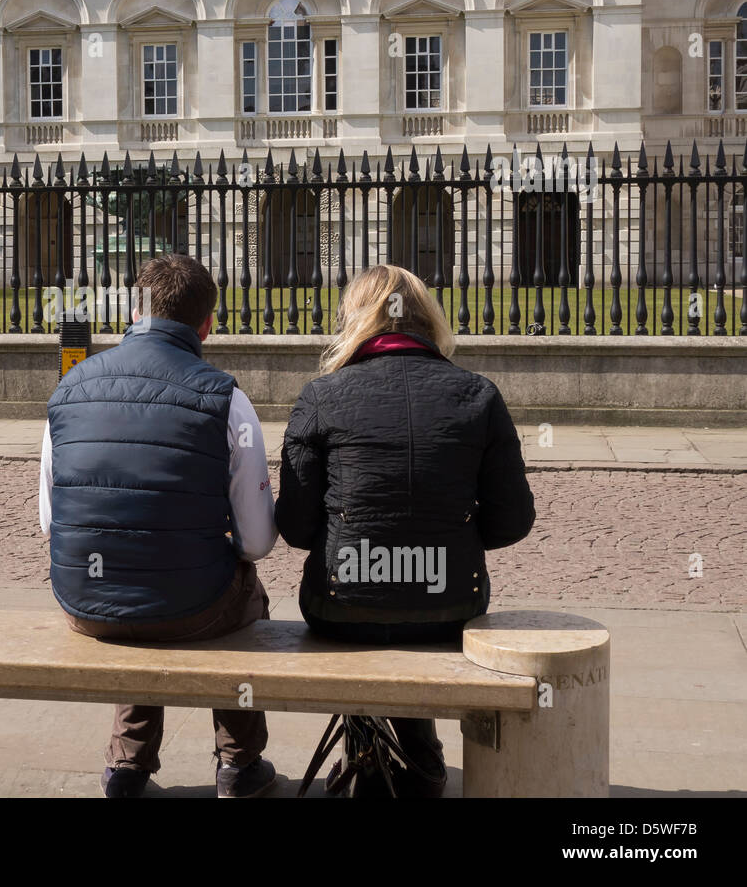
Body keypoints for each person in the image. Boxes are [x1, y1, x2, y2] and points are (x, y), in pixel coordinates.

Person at [275, 264, 535, 797]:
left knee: (369, 608)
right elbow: (512, 520)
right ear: (429, 319)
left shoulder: (322, 396)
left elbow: (298, 528)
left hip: (341, 607)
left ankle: (366, 745)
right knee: (407, 606)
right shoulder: (478, 394)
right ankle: (416, 749)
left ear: (356, 320)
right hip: (450, 605)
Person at [39, 254, 279, 799]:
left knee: (134, 573)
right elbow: (258, 541)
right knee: (238, 589)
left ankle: (127, 764)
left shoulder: (70, 387)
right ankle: (239, 764)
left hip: (84, 601)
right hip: (190, 606)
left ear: (132, 309)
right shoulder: (227, 399)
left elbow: (51, 522)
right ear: (208, 325)